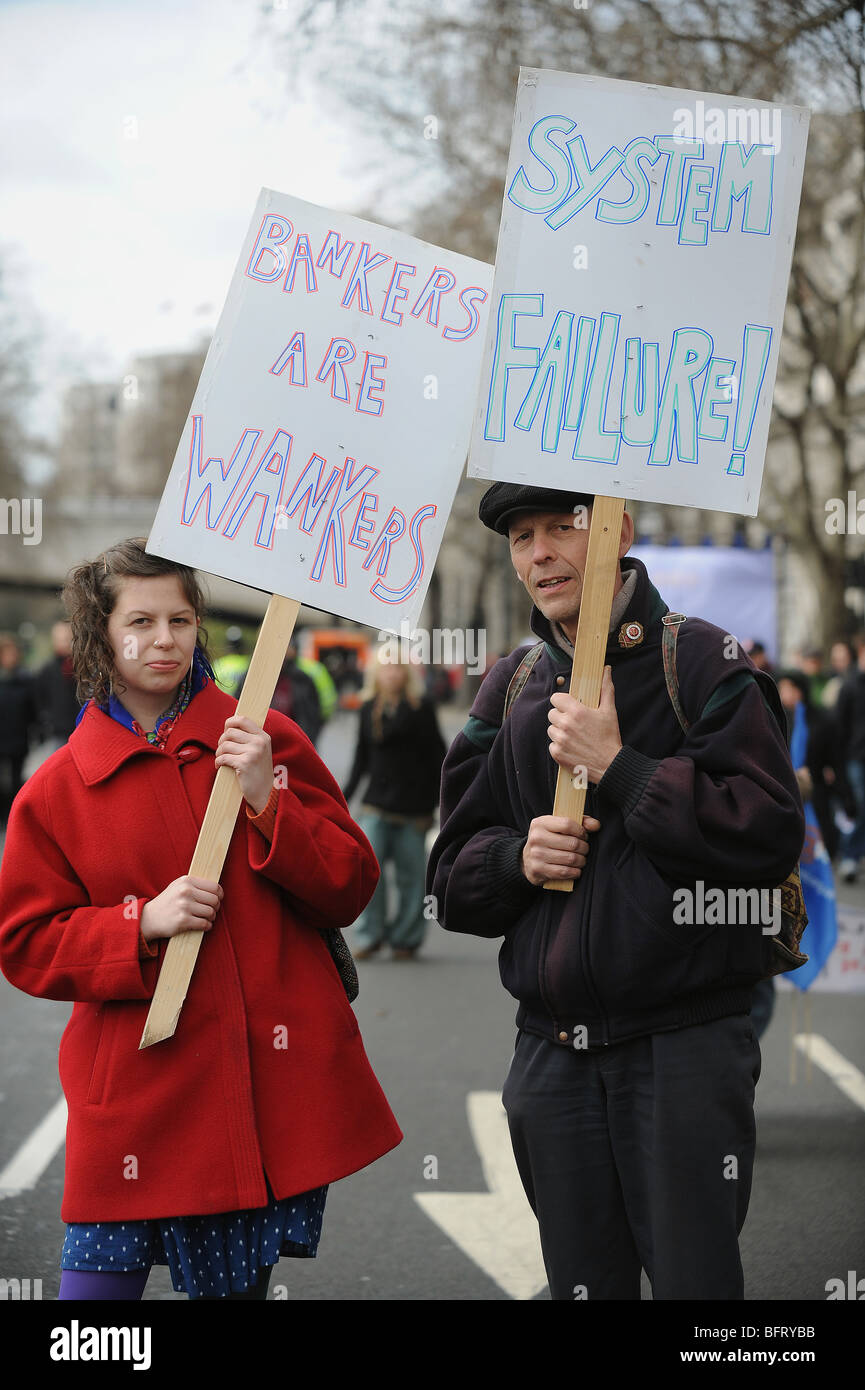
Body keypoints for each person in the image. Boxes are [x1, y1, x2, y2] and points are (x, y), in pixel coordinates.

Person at [427, 483, 805, 1301]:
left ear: (618, 530)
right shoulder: (510, 684)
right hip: (550, 1058)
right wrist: (514, 861)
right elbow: (449, 878)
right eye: (521, 538)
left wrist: (621, 770)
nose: (540, 554)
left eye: (562, 528)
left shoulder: (702, 659)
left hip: (684, 1050)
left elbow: (766, 831)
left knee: (694, 1288)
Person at [0, 538, 402, 1301]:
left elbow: (349, 886)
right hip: (131, 1103)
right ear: (100, 634)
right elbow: (24, 945)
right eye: (140, 621)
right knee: (93, 1320)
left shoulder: (267, 741)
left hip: (249, 1098)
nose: (163, 640)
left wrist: (266, 801)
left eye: (180, 619)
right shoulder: (55, 790)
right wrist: (137, 924)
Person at [344, 649, 446, 960]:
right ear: (376, 673)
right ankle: (370, 936)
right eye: (387, 668)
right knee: (368, 874)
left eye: (398, 669)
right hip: (376, 805)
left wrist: (436, 807)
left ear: (406, 674)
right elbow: (361, 759)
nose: (393, 674)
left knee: (412, 880)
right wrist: (342, 800)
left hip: (413, 810)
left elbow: (438, 759)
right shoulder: (367, 708)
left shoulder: (421, 708)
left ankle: (406, 939)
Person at [0, 634, 35, 823]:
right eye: (7, 653)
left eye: (13, 653)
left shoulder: (25, 681)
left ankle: (13, 816)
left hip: (18, 738)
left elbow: (32, 710)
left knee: (15, 779)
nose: (11, 657)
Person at [270, 641, 324, 745]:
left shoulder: (302, 680)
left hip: (294, 742)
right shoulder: (252, 677)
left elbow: (311, 716)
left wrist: (306, 744)